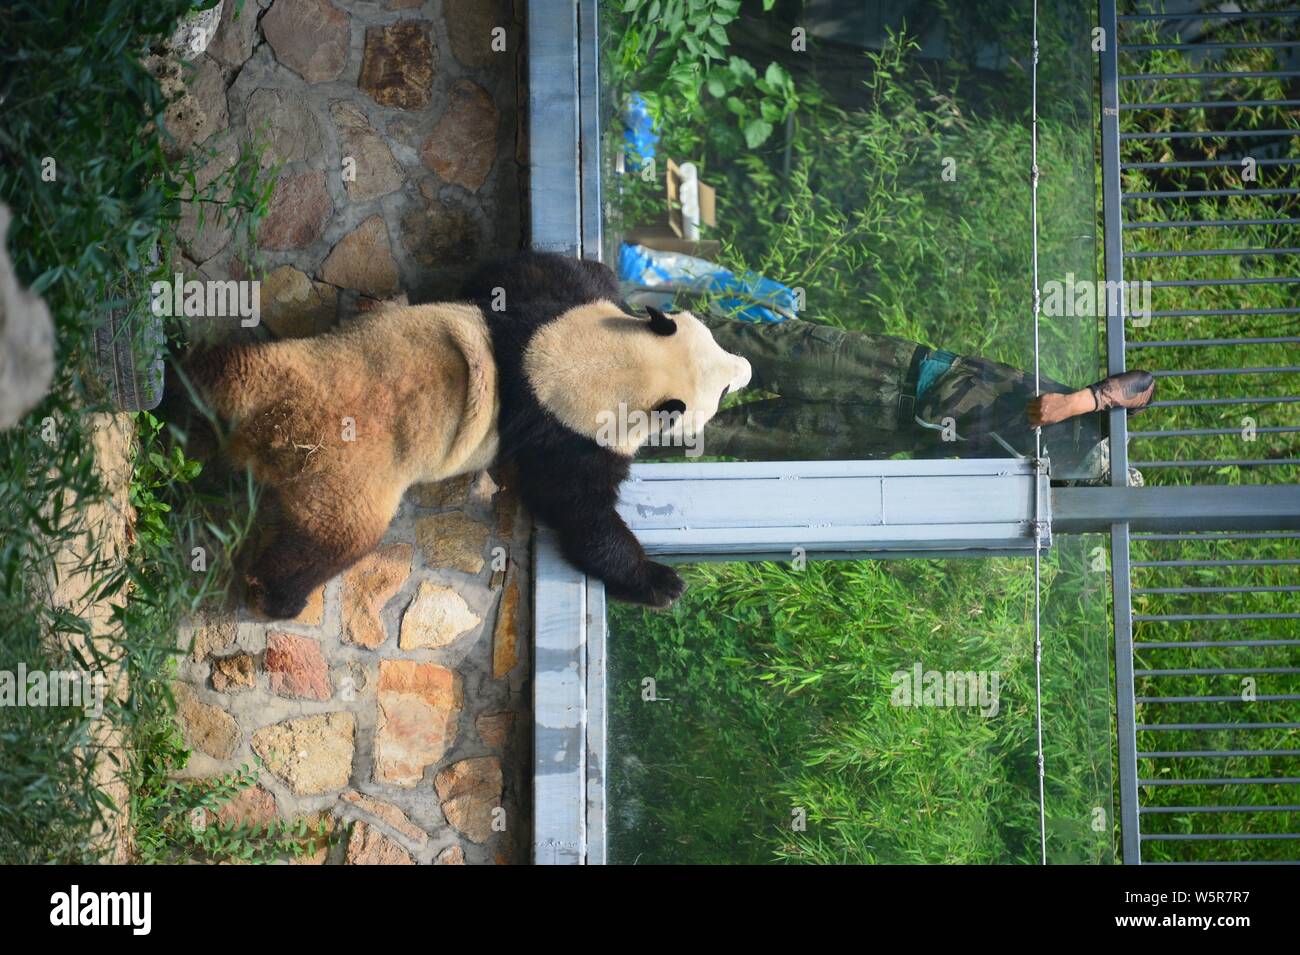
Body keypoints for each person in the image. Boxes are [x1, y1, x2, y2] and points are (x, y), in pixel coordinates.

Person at [650, 309, 1156, 481]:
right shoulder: (1100, 426)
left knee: (727, 436)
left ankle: (609, 435)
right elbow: (1144, 384)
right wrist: (1083, 402)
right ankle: (620, 329)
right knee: (742, 348)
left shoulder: (1067, 484)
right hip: (899, 372)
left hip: (889, 433)